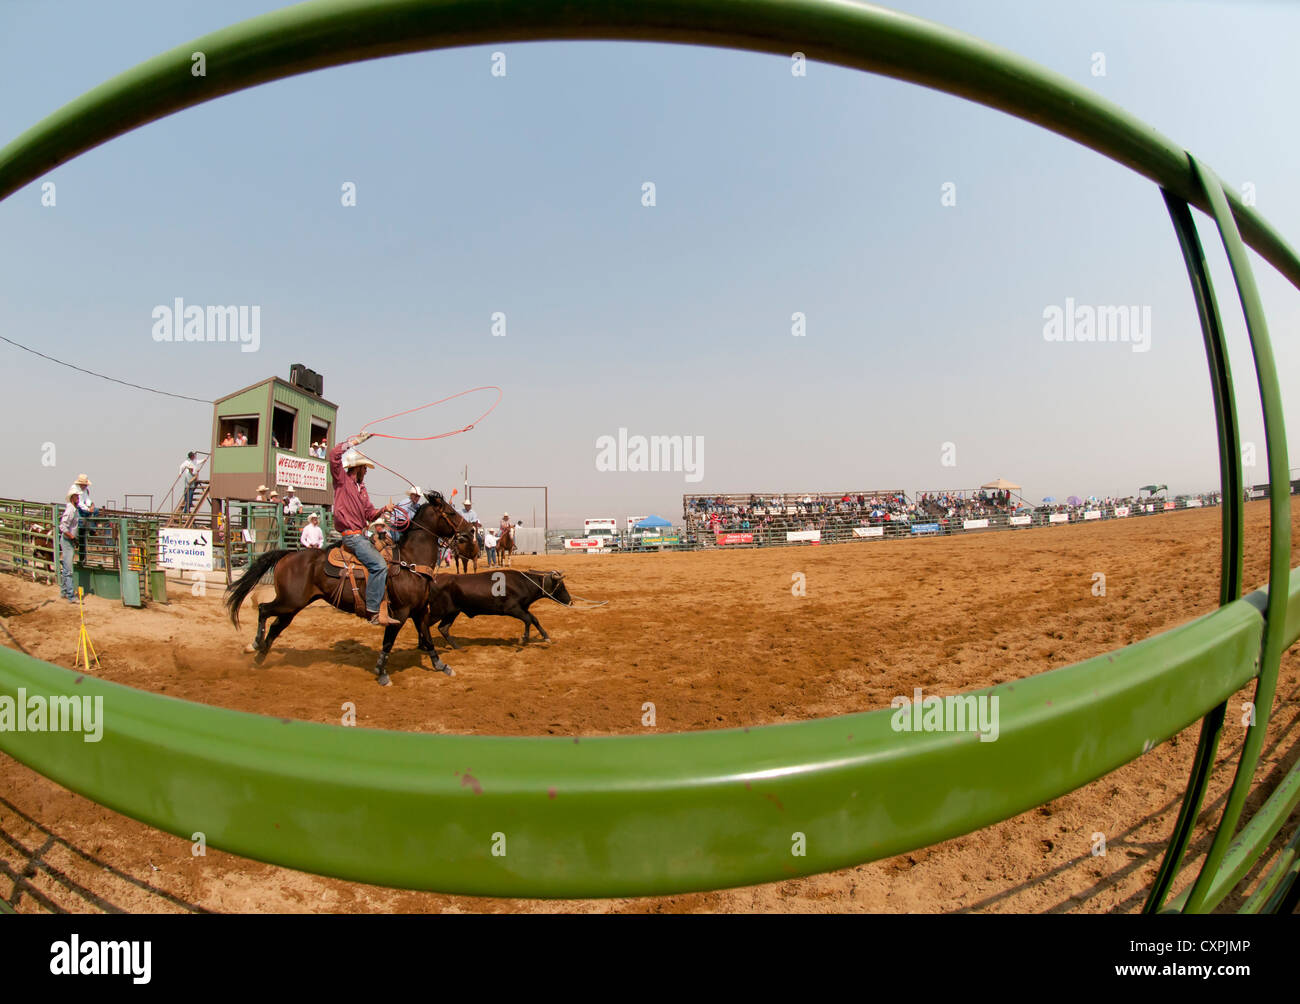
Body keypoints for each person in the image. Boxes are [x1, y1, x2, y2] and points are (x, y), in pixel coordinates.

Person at [329, 433, 397, 625]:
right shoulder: (342, 480)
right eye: (364, 468)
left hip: (360, 535)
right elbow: (334, 455)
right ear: (356, 468)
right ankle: (373, 610)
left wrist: (384, 510)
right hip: (353, 536)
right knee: (379, 566)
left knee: (387, 558)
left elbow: (369, 514)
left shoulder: (361, 490)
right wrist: (355, 442)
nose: (366, 472)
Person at [58, 488, 79, 602]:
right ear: (72, 498)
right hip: (67, 540)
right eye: (76, 496)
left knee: (67, 567)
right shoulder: (71, 510)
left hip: (68, 540)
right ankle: (70, 595)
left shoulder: (74, 509)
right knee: (68, 569)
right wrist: (71, 536)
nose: (78, 498)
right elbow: (62, 526)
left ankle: (64, 591)